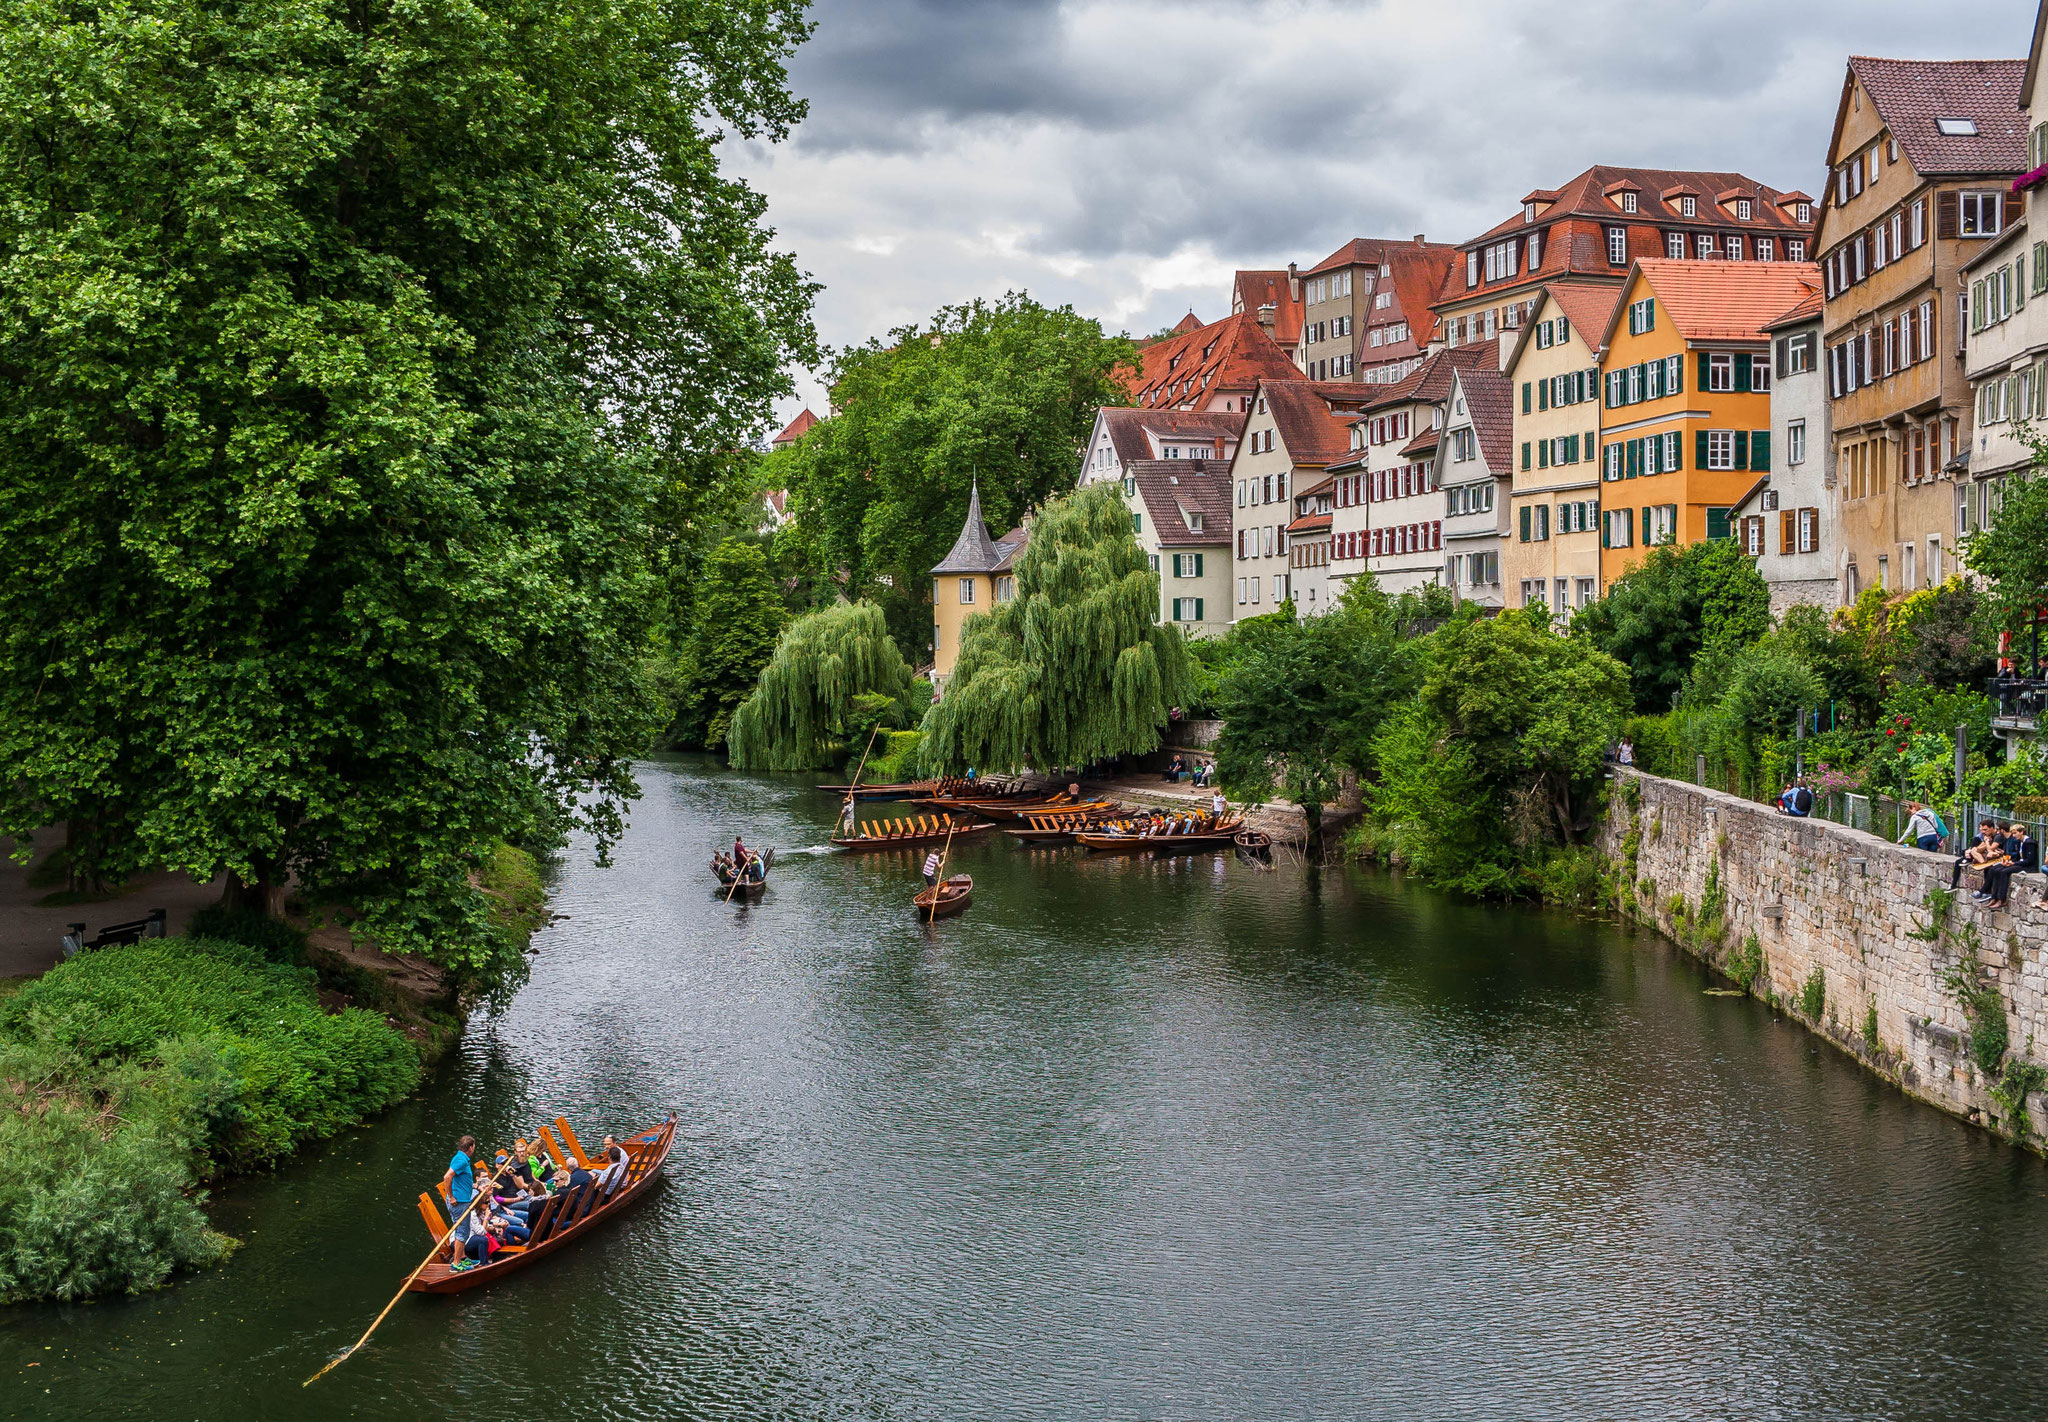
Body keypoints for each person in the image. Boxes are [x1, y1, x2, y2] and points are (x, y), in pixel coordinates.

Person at [1981, 823, 2037, 908]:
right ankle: (1994, 897)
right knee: (1996, 870)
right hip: (2020, 863)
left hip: (2028, 867)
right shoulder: (2020, 842)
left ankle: (2001, 899)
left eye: (2015, 833)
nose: (2013, 836)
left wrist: (2014, 863)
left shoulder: (2029, 843)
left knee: (2004, 872)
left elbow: (2029, 860)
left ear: (2021, 832)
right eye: (2013, 833)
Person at [441, 1135, 479, 1239]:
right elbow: (447, 1177)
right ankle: (458, 1256)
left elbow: (459, 1178)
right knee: (462, 1233)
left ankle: (461, 1255)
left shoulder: (461, 1157)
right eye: (474, 1146)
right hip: (459, 1201)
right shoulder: (461, 1160)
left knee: (463, 1232)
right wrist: (451, 1197)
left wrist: (472, 1185)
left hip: (462, 1200)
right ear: (470, 1147)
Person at [1953, 822, 2006, 891]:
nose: (1983, 832)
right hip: (1986, 855)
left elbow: (1991, 849)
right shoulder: (1985, 836)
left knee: (1990, 868)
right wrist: (1984, 843)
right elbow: (1978, 849)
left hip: (1997, 856)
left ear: (1992, 828)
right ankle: (1953, 885)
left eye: (1985, 830)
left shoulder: (1997, 837)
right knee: (1972, 851)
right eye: (1982, 829)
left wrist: (1987, 842)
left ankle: (1986, 891)